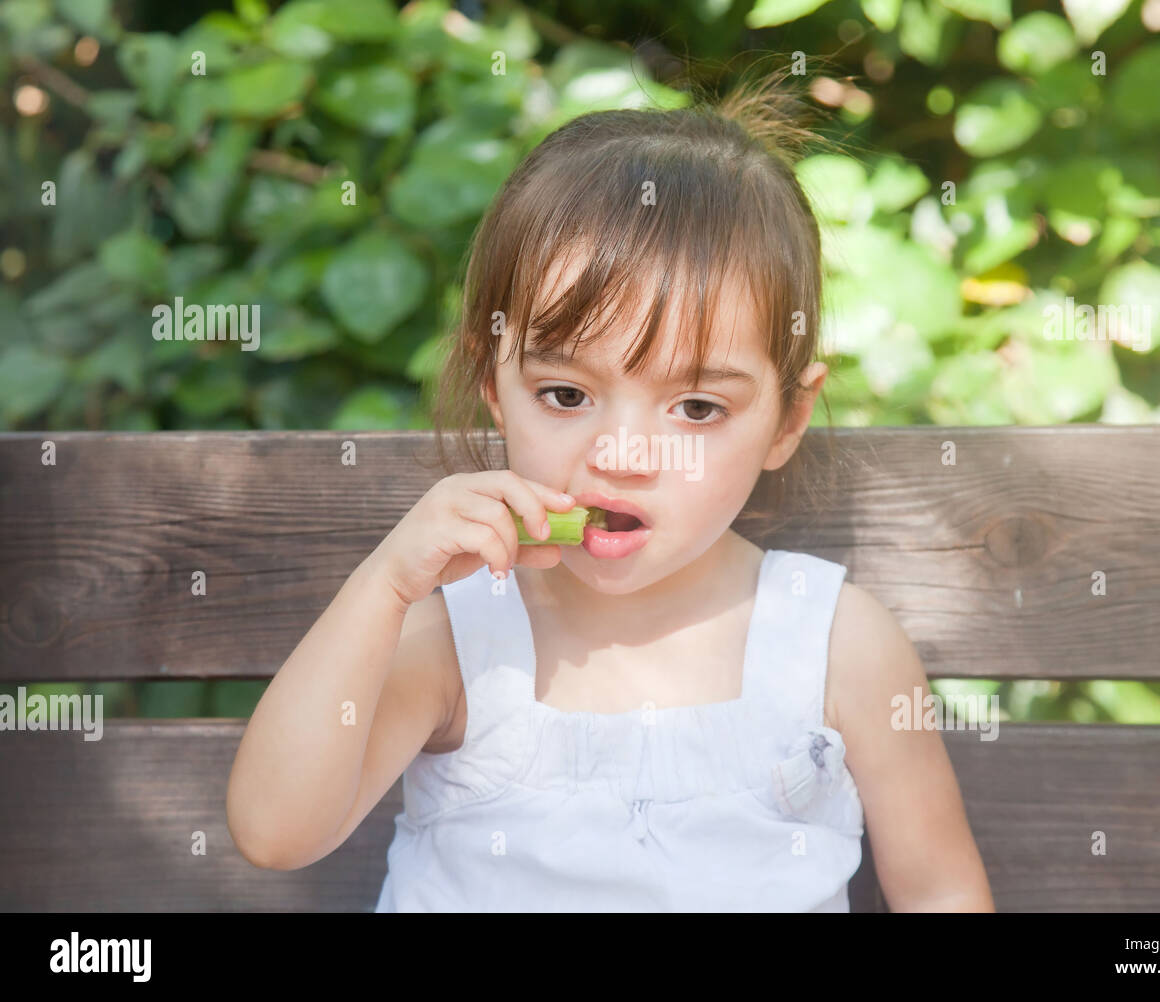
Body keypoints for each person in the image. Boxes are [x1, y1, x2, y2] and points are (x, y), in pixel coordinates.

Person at [227, 64, 994, 912]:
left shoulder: (832, 645)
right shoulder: (460, 632)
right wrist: (385, 585)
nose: (622, 454)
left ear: (786, 419)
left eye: (697, 406)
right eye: (566, 395)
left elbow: (939, 893)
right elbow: (273, 831)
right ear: (495, 386)